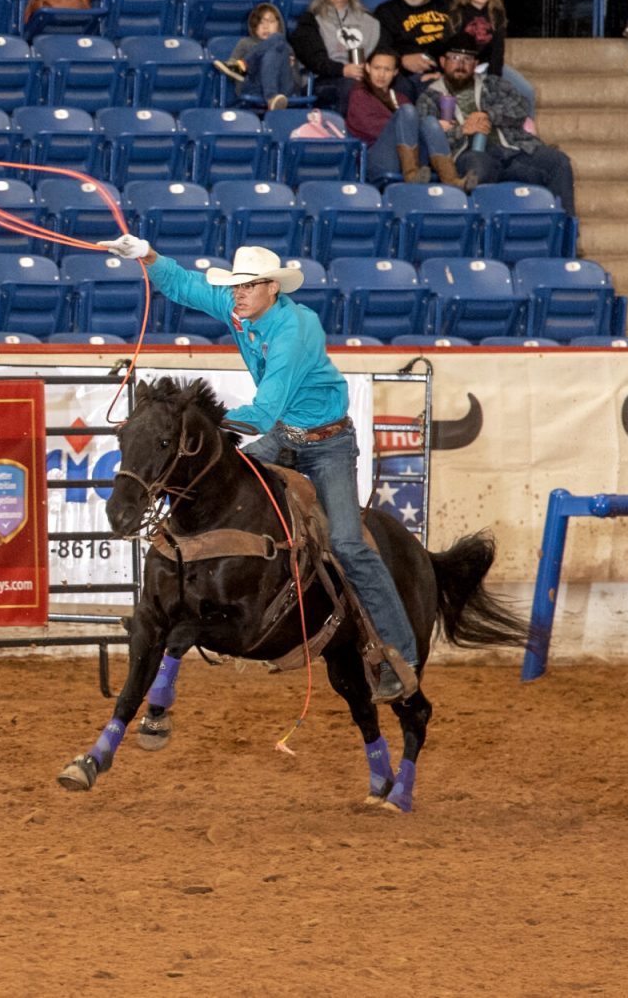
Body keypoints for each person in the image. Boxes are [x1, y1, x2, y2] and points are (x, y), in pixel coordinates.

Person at [100, 236, 422, 702]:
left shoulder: (295, 331)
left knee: (350, 543)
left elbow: (265, 409)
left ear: (272, 288)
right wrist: (147, 256)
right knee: (212, 483)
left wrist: (204, 423)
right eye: (236, 288)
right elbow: (186, 285)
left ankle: (399, 653)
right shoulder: (241, 311)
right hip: (285, 436)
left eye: (248, 287)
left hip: (326, 445)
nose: (239, 295)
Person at [418, 34, 575, 211]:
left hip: (513, 150)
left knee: (558, 162)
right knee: (476, 171)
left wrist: (489, 115)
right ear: (442, 61)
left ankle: (565, 232)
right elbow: (430, 142)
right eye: (454, 58)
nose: (461, 64)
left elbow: (520, 105)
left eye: (467, 59)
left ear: (475, 64)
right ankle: (485, 232)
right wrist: (464, 130)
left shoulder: (492, 84)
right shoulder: (430, 97)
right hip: (470, 156)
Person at [346, 49, 472, 190]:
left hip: (406, 156)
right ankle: (411, 175)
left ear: (395, 73)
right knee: (407, 111)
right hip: (376, 157)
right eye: (377, 68)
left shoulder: (400, 98)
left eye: (387, 69)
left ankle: (452, 181)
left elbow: (413, 128)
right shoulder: (359, 94)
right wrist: (407, 125)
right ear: (368, 68)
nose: (381, 74)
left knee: (430, 122)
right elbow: (369, 128)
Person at [288, 0, 382, 115]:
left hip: (366, 78)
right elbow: (315, 60)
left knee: (401, 86)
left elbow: (383, 54)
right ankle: (346, 134)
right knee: (351, 87)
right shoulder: (310, 20)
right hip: (325, 81)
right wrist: (343, 70)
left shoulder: (370, 22)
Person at [450, 0, 536, 114]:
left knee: (527, 91)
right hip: (465, 69)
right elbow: (451, 47)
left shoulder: (496, 14)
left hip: (489, 65)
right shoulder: (457, 15)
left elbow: (498, 49)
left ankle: (526, 132)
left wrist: (494, 78)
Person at [372, 0, 452, 93]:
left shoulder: (449, 7)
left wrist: (446, 75)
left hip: (445, 74)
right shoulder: (386, 12)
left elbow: (462, 46)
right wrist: (402, 61)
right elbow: (380, 51)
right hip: (404, 76)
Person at [214, 2, 296, 111]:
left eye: (271, 21)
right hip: (254, 87)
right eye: (261, 22)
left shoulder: (286, 48)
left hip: (282, 91)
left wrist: (290, 67)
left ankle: (242, 65)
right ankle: (271, 97)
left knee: (277, 40)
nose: (265, 26)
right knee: (274, 46)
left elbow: (296, 80)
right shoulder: (245, 43)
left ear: (279, 24)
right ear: (254, 26)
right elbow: (230, 75)